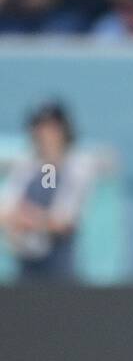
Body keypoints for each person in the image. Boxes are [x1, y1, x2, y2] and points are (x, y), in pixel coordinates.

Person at [0, 102, 95, 283]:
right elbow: (6, 207)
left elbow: (64, 220)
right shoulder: (29, 165)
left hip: (58, 269)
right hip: (26, 267)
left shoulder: (77, 166)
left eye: (51, 129)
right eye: (41, 128)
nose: (45, 135)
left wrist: (30, 219)